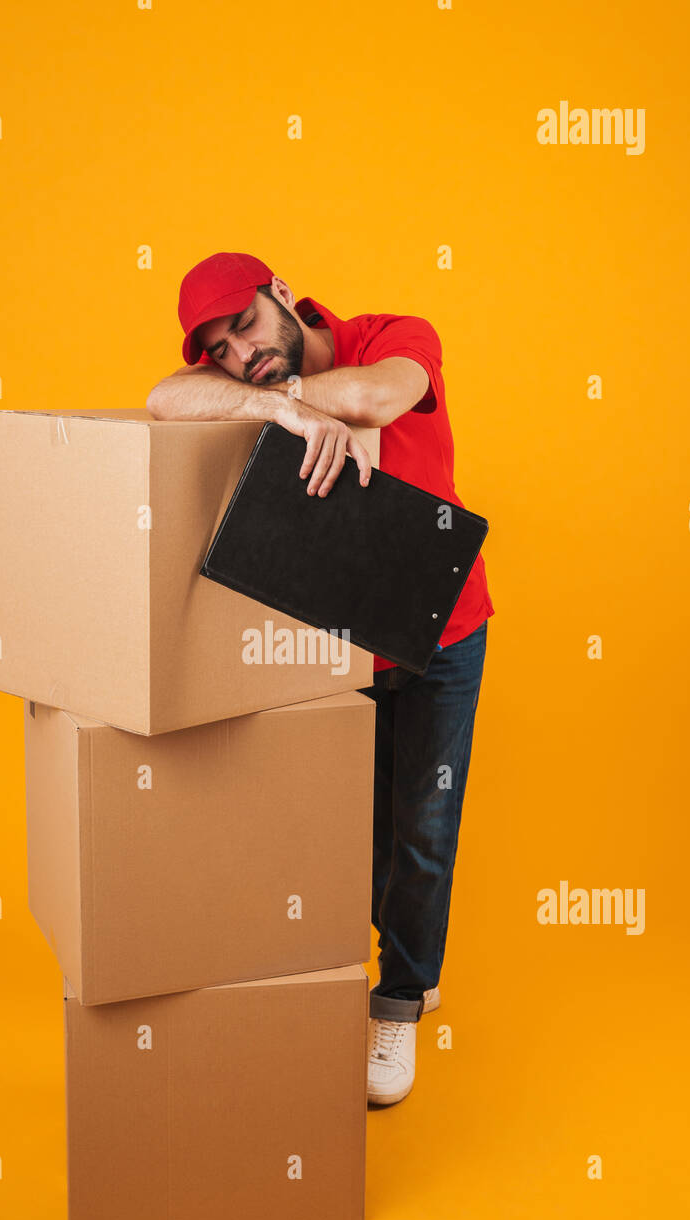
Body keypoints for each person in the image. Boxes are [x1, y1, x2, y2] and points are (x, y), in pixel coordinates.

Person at [146, 251, 494, 1106]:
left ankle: (400, 1000)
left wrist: (297, 402)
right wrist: (286, 413)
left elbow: (378, 397)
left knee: (422, 825)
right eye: (219, 349)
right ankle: (376, 962)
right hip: (329, 643)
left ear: (283, 297)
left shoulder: (393, 336)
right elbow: (163, 398)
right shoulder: (251, 386)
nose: (240, 355)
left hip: (443, 633)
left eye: (247, 326)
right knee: (342, 831)